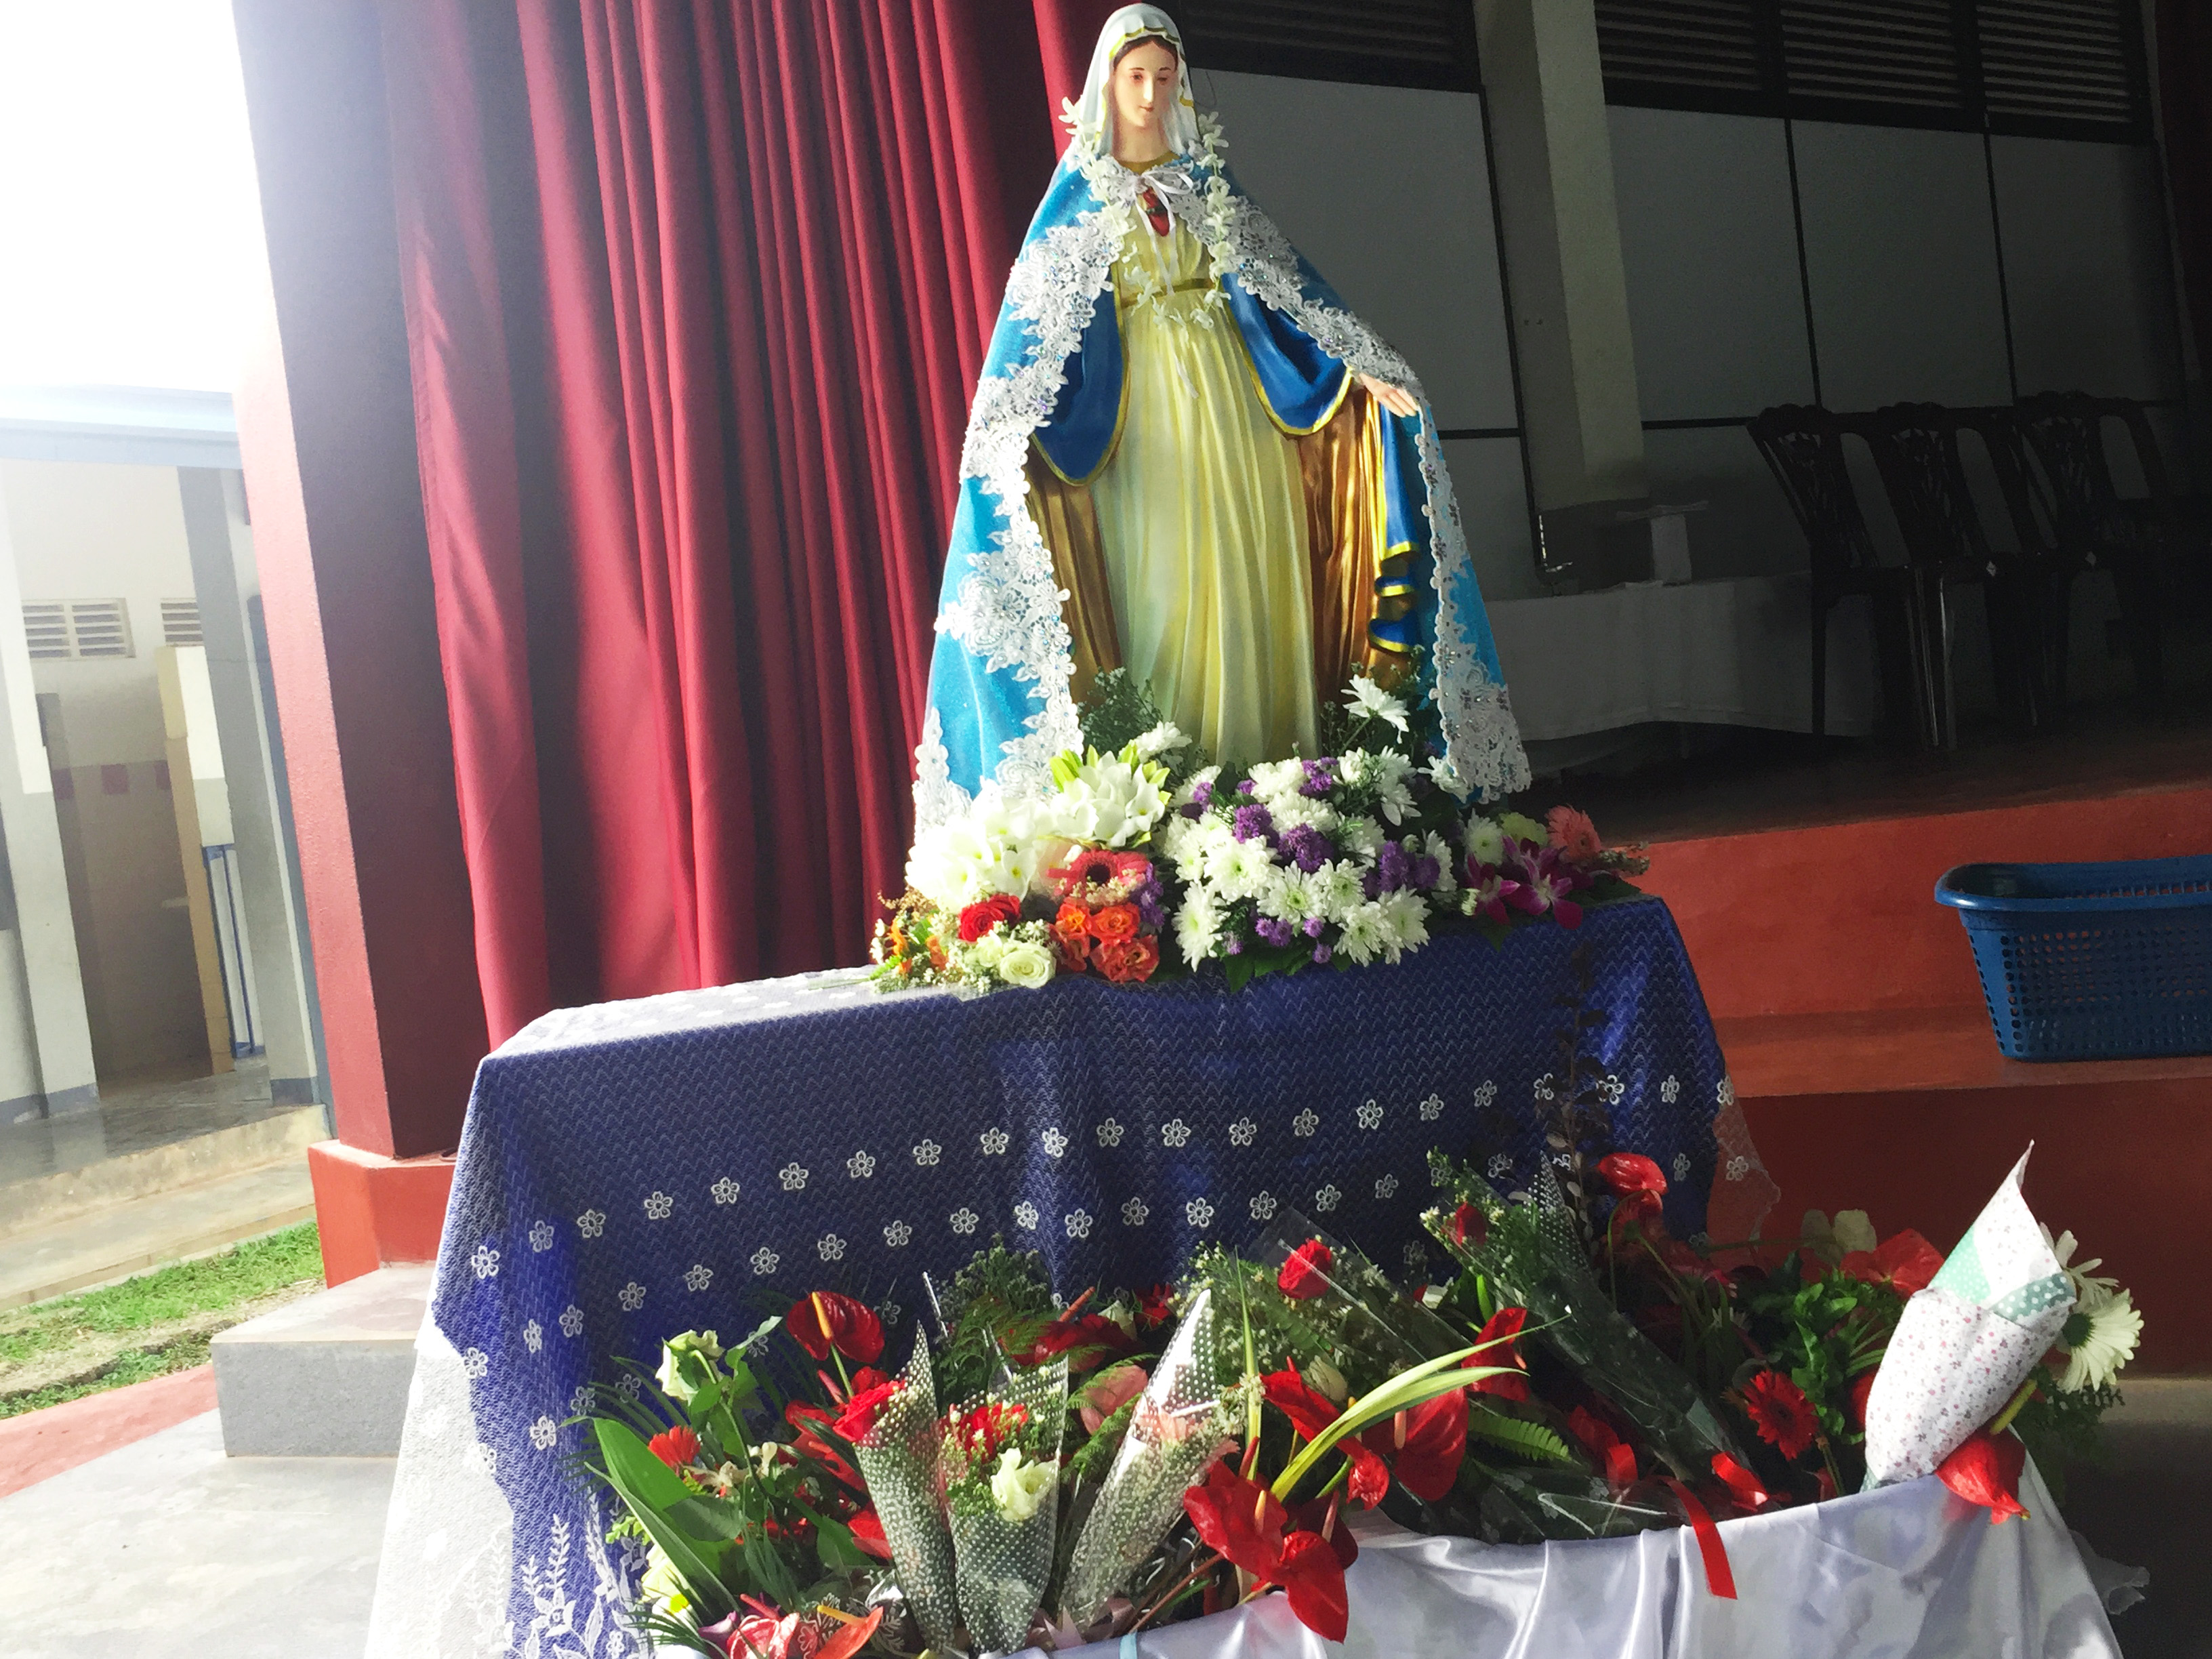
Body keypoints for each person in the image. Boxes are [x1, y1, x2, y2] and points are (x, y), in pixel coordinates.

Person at [916, 3, 1525, 825]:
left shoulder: (1205, 188)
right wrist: (1007, 425)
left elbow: (1289, 294)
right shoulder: (1080, 200)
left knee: (1252, 575)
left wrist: (1359, 370)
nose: (1151, 93)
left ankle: (1275, 791)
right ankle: (1183, 802)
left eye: (1165, 78)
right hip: (1146, 432)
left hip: (1236, 413)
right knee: (1164, 594)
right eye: (1136, 77)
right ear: (1106, 81)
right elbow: (1035, 330)